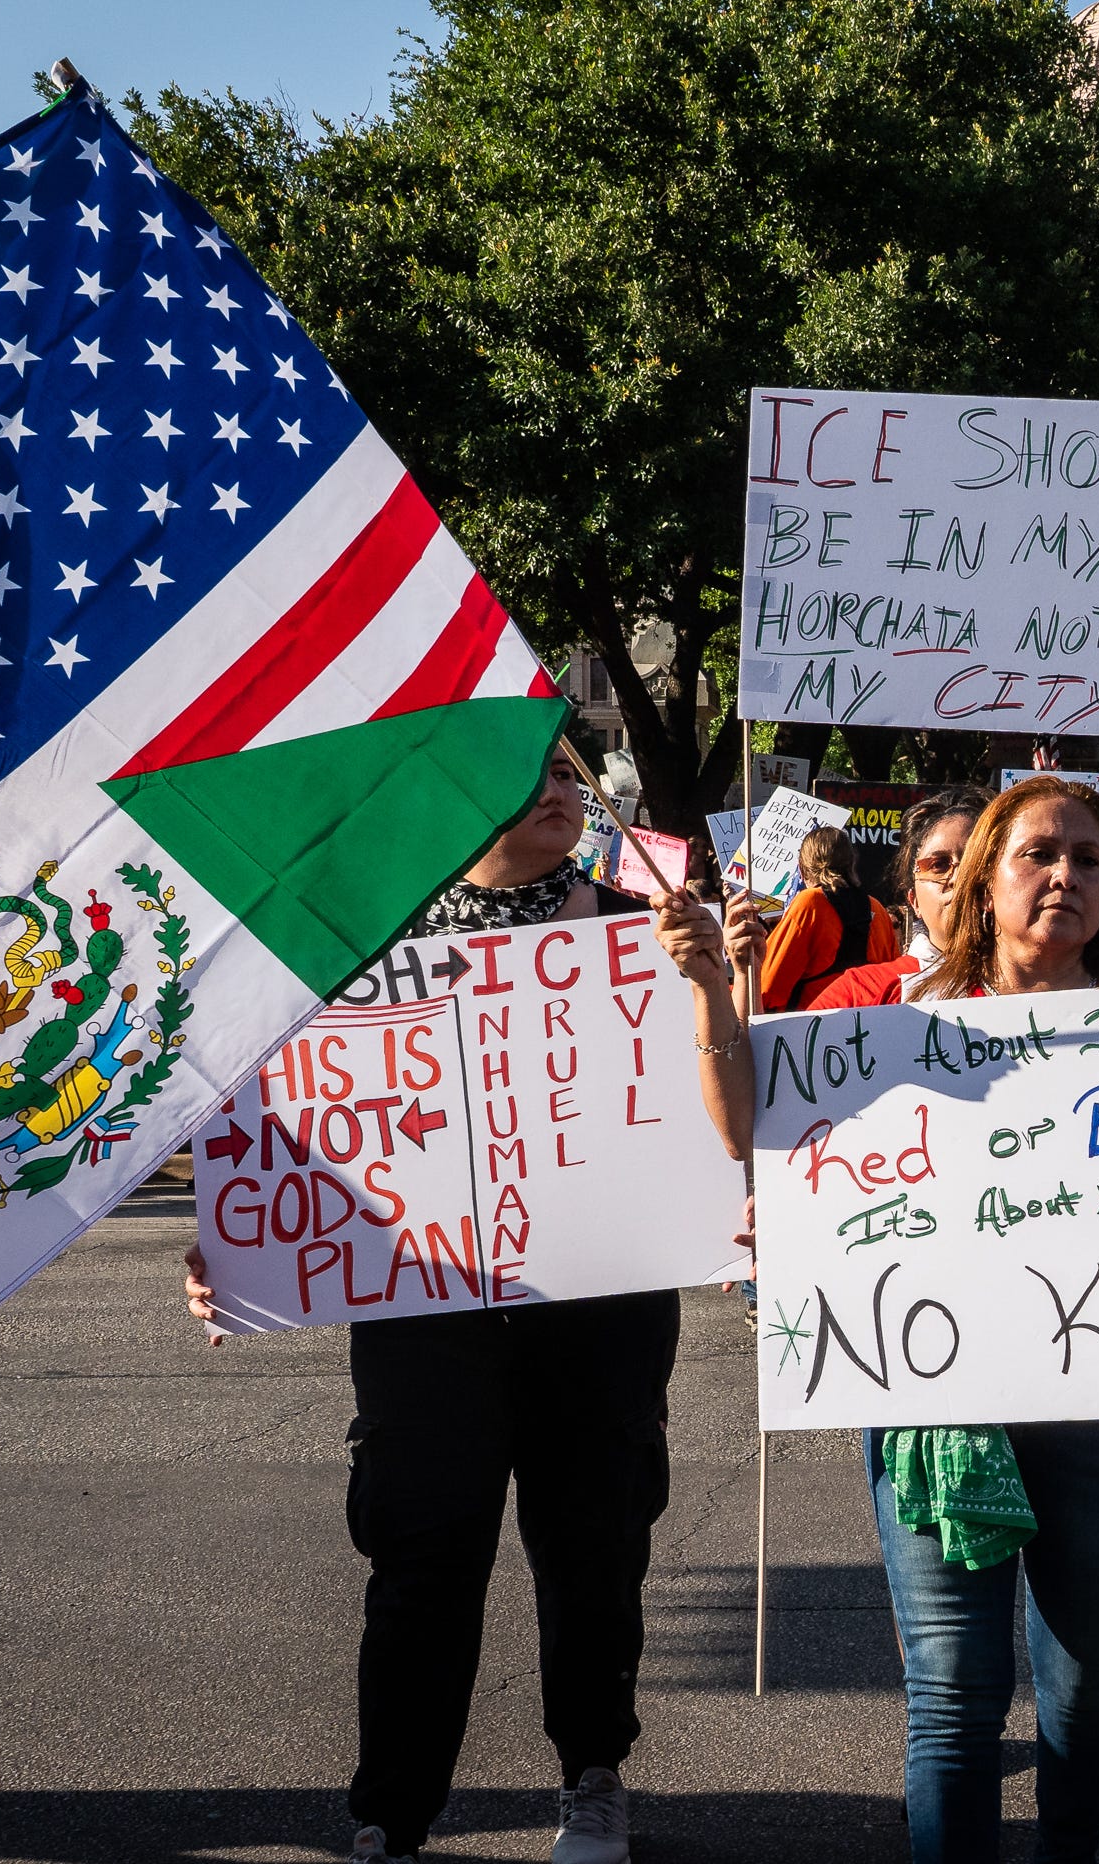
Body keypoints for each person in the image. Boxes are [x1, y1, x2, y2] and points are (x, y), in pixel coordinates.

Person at [184, 754, 751, 1864]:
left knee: (594, 1543)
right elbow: (275, 1123)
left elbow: (729, 1130)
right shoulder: (359, 956)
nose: (558, 790)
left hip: (601, 1296)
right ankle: (390, 1814)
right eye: (520, 770)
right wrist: (230, 1245)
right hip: (427, 1305)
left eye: (564, 770)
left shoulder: (650, 932)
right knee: (421, 1548)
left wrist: (710, 985)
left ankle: (594, 1774)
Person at [704, 777, 1099, 1863]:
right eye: (1038, 855)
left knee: (1087, 1689)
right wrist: (791, 1195)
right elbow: (759, 1133)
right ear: (984, 879)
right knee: (954, 1697)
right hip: (936, 1397)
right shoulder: (887, 1027)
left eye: (1089, 858)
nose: (1065, 876)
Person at [804, 786, 991, 1012]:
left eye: (977, 861)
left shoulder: (1040, 985)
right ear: (914, 901)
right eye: (938, 865)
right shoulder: (861, 994)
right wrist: (748, 975)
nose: (961, 878)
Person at [751, 824, 900, 1012]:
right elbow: (894, 981)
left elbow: (767, 988)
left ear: (802, 870)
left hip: (812, 1030)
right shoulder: (877, 909)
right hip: (865, 1027)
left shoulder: (809, 903)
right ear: (851, 864)